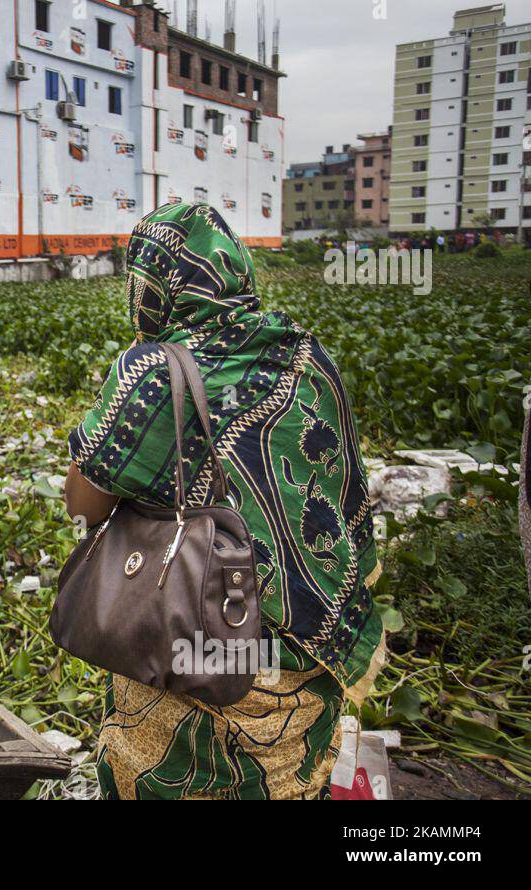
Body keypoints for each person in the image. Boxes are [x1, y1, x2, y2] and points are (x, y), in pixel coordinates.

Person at [64, 203, 384, 800]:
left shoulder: (152, 373)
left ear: (150, 287)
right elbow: (345, 492)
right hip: (319, 637)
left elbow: (84, 507)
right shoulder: (308, 354)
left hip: (210, 645)